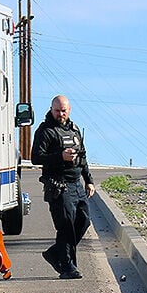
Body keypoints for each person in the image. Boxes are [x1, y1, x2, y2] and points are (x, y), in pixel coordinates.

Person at [31, 95, 95, 279]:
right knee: (66, 227)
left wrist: (88, 180)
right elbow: (36, 157)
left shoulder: (74, 129)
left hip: (77, 185)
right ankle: (68, 267)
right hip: (59, 185)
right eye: (57, 110)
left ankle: (55, 253)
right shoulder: (45, 130)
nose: (60, 114)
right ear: (51, 109)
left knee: (83, 222)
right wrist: (60, 156)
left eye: (63, 110)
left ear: (69, 110)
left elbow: (83, 157)